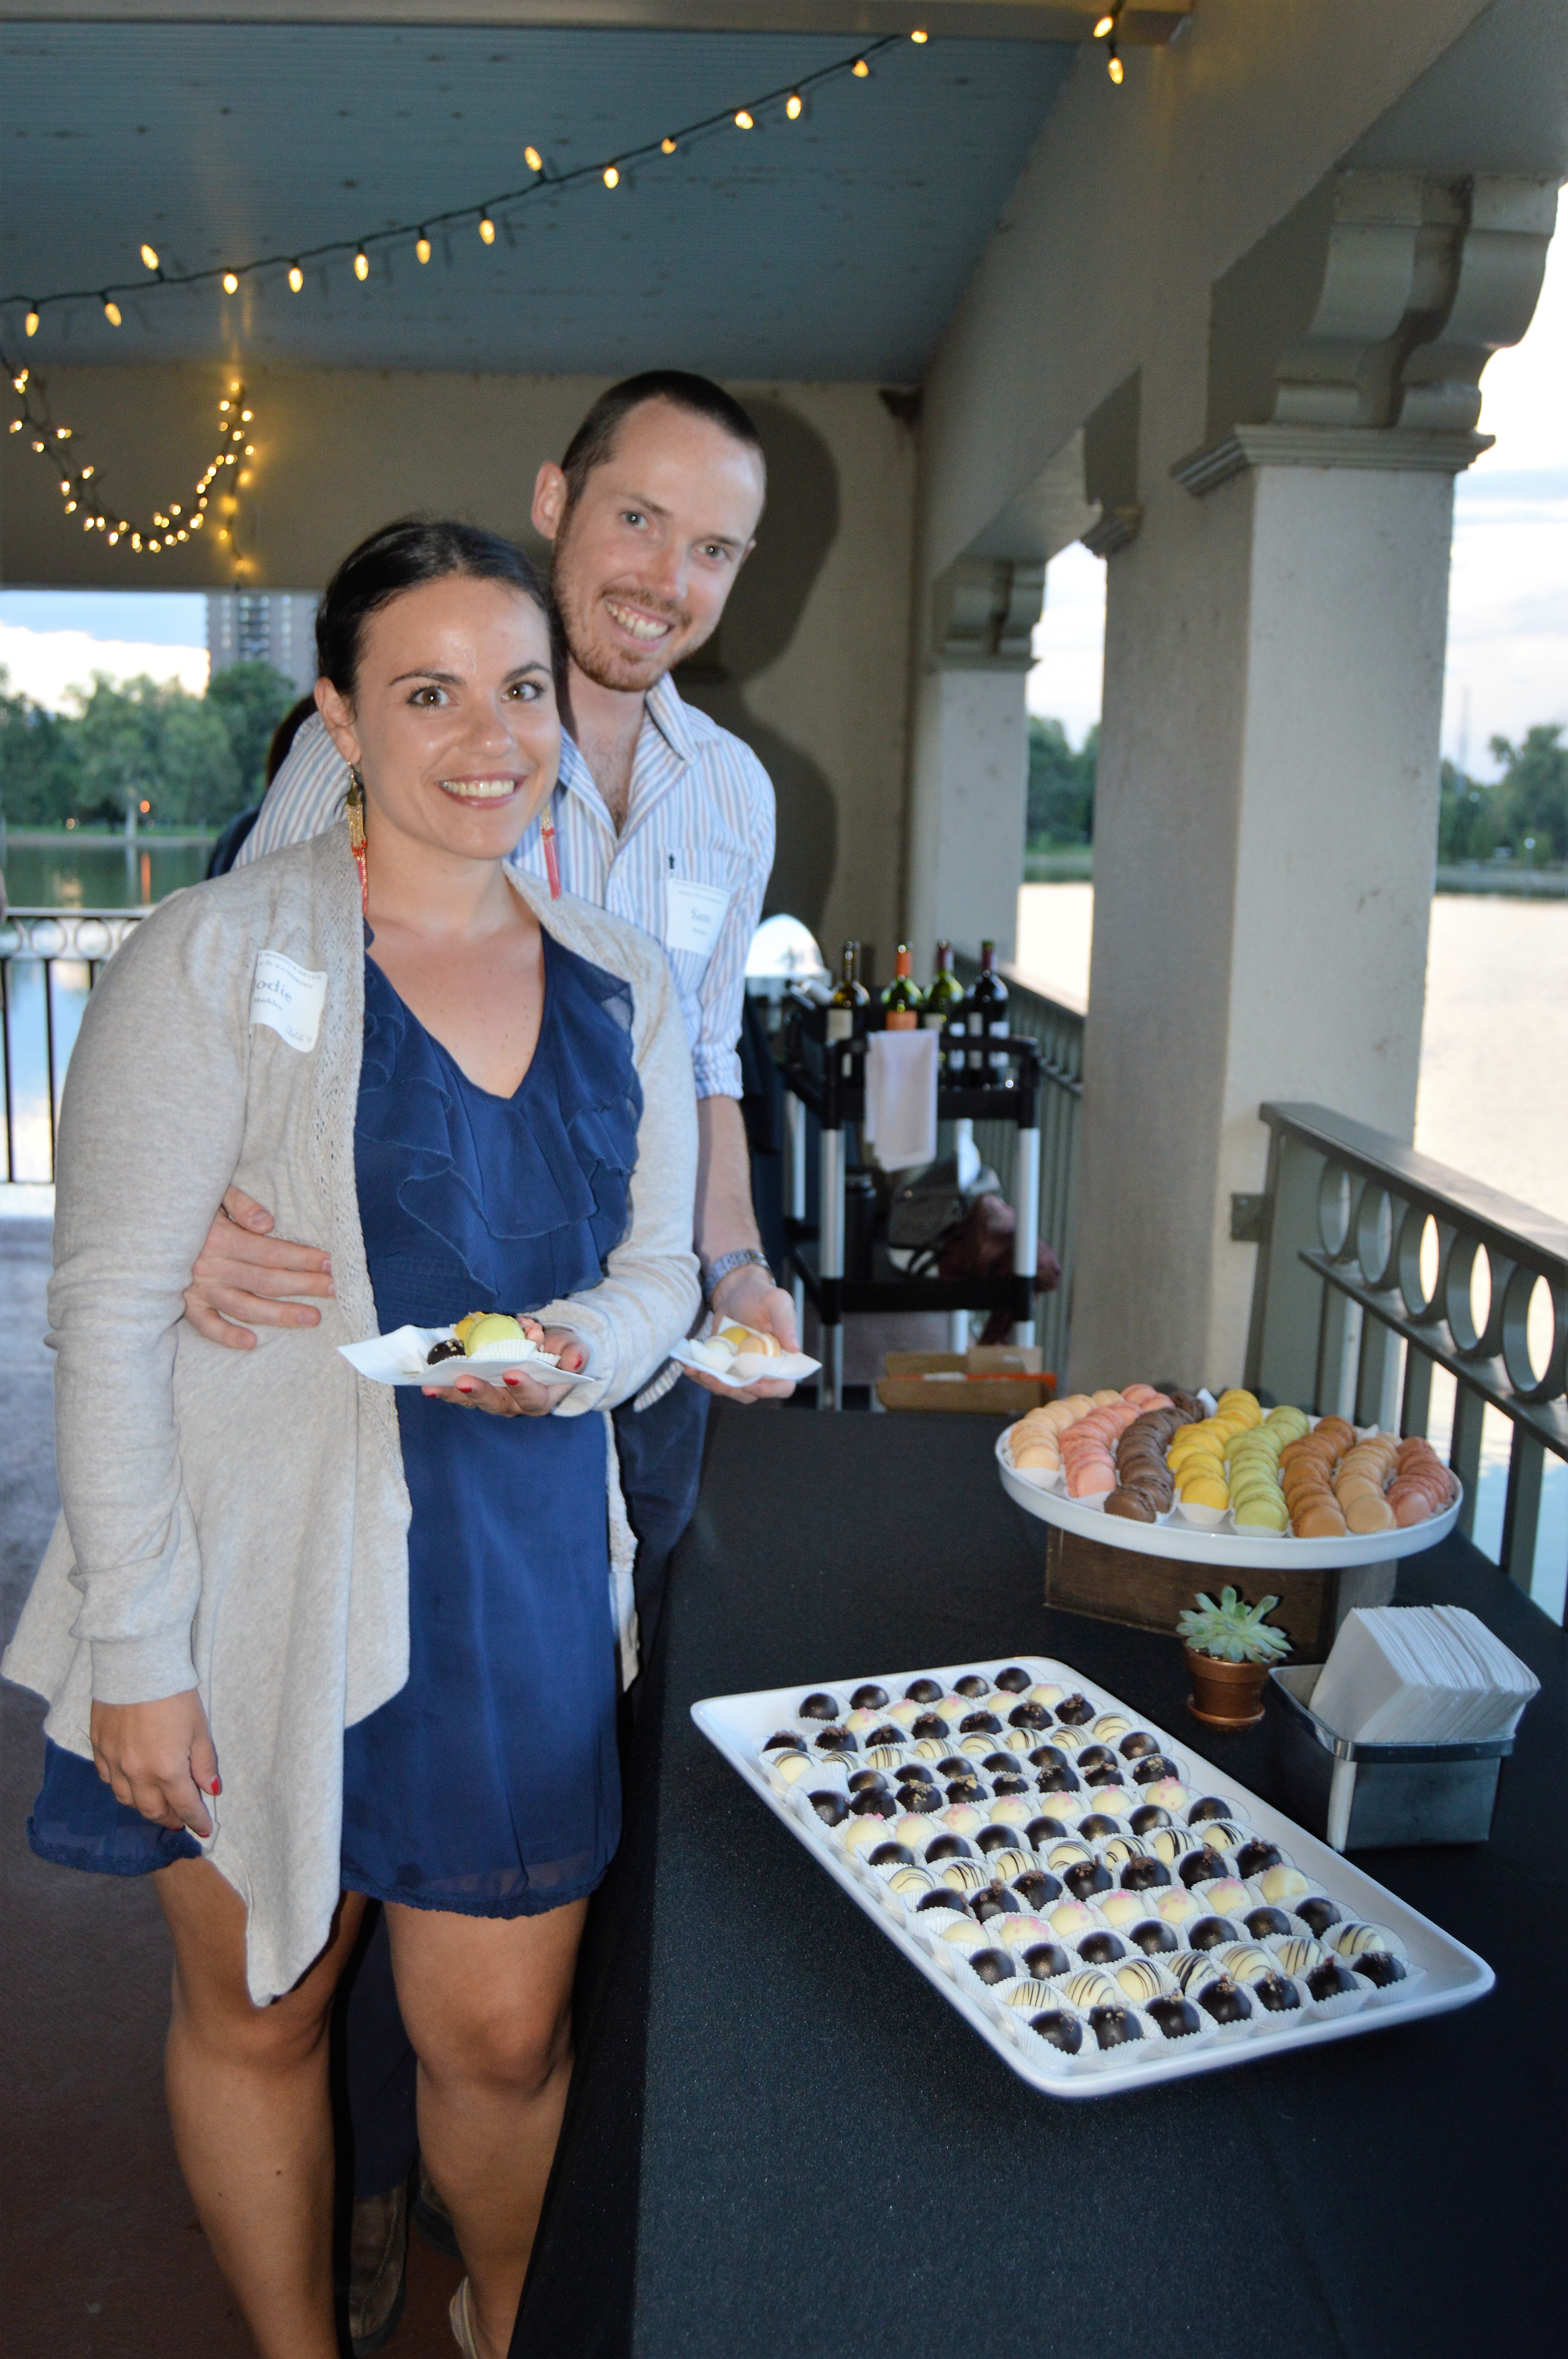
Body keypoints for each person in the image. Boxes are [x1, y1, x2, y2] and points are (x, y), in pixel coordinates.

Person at [3, 518, 701, 2359]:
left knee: (499, 2034)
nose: (490, 734)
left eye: (523, 687)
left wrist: (580, 1349)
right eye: (429, 691)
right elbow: (108, 1311)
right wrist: (137, 1653)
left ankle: (497, 2320)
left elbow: (661, 1273)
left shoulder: (627, 973)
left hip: (518, 1566)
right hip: (247, 1562)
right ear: (341, 715)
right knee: (264, 2011)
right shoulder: (214, 950)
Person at [178, 371, 801, 2348]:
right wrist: (192, 1204)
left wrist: (743, 1268)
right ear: (558, 499)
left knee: (527, 1840)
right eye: (640, 522)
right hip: (366, 1370)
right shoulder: (380, 727)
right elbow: (244, 974)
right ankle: (360, 2189)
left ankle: (513, 2209)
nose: (668, 578)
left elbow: (704, 1061)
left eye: (714, 548)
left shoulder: (732, 792)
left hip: (615, 1360)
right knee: (332, 1811)